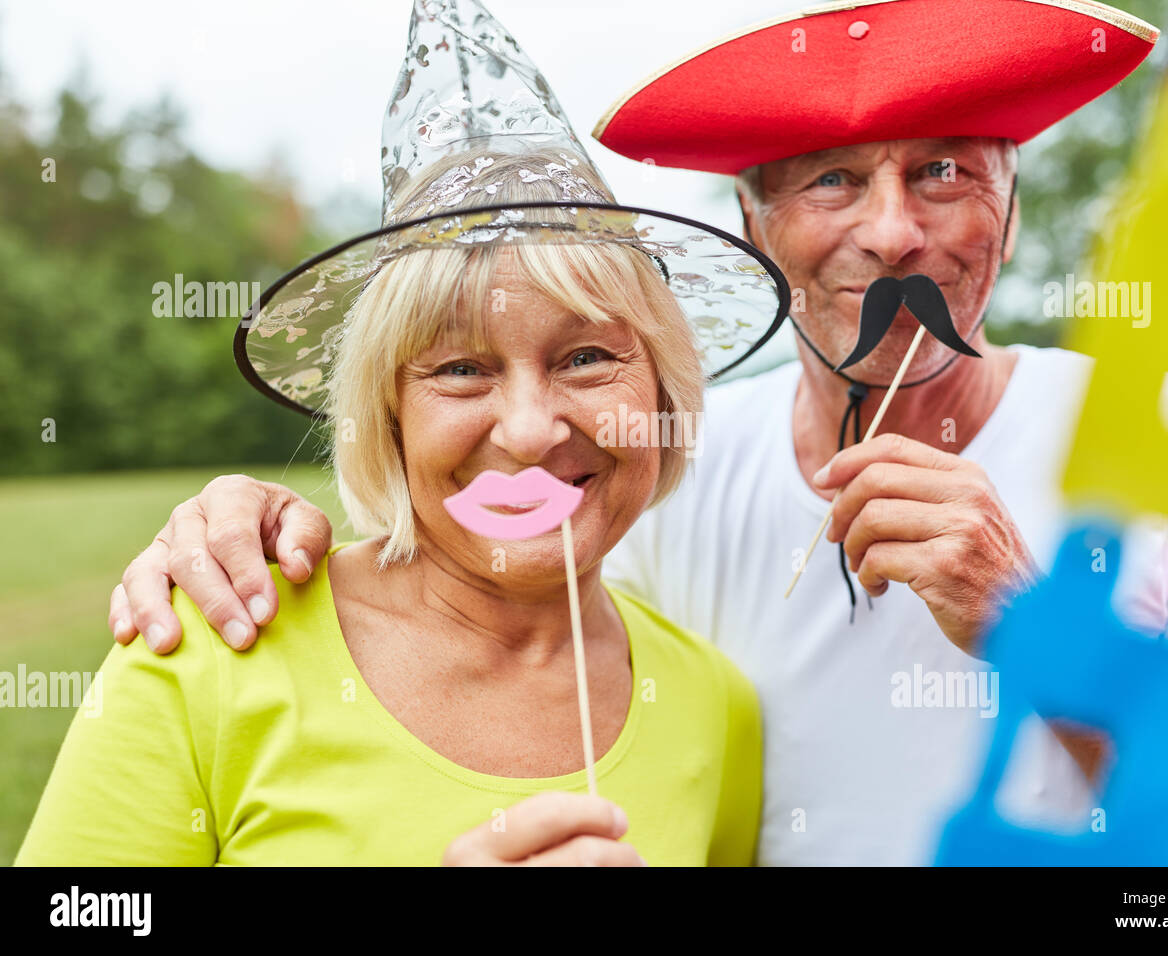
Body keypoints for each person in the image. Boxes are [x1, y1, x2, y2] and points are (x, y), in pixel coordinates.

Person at [108, 0, 1168, 864]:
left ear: (1009, 206)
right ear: (756, 219)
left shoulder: (1150, 431)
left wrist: (1030, 626)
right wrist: (245, 518)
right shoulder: (647, 461)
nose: (890, 233)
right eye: (831, 182)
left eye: (942, 172)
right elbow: (455, 574)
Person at [17, 0, 790, 866]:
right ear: (388, 415)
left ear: (660, 395)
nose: (531, 432)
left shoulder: (716, 709)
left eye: (584, 358)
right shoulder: (209, 647)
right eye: (461, 369)